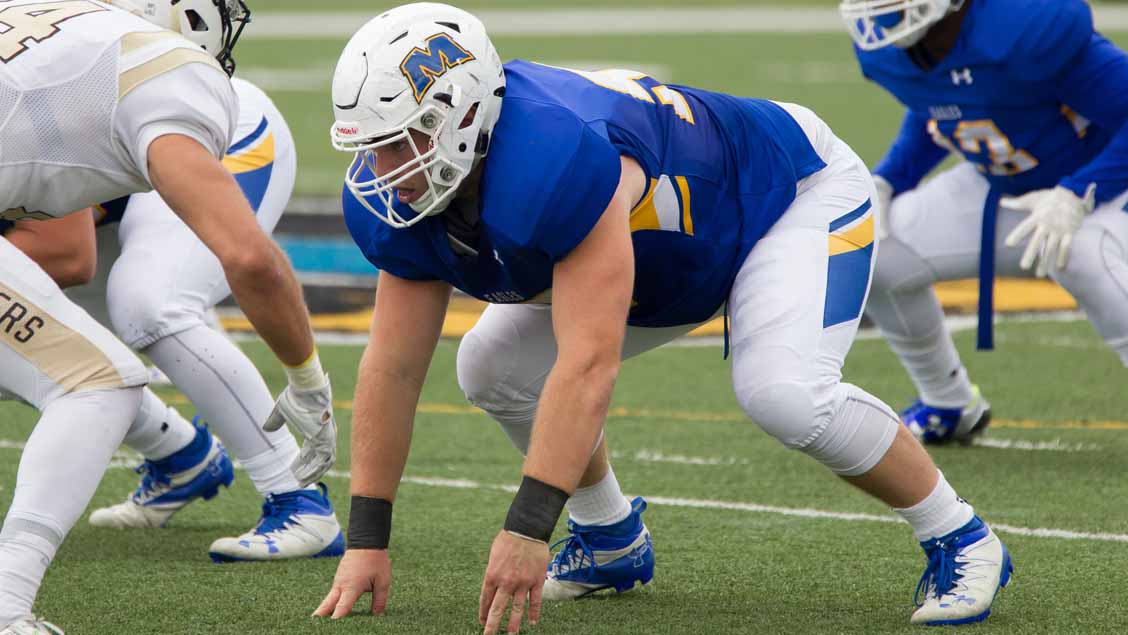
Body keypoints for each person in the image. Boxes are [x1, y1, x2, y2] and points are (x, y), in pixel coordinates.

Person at [313, 3, 1012, 632]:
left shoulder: (555, 158)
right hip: (665, 255)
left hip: (786, 197)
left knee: (785, 392)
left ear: (463, 114)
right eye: (372, 145)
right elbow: (393, 367)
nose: (383, 166)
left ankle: (960, 535)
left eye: (403, 139)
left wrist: (527, 528)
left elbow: (588, 362)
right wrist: (368, 538)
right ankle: (610, 538)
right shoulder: (406, 188)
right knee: (490, 365)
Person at [0, 1, 337, 632]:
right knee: (46, 350)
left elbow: (69, 253)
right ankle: (180, 453)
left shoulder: (155, 75)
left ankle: (297, 498)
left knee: (148, 304)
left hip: (206, 134)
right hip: (122, 129)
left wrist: (307, 377)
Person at [839, 0, 1128, 443]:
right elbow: (940, 104)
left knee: (1084, 258)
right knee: (876, 251)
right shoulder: (897, 51)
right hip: (1000, 186)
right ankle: (948, 402)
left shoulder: (1022, 30)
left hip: (1105, 192)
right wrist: (890, 178)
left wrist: (1079, 192)